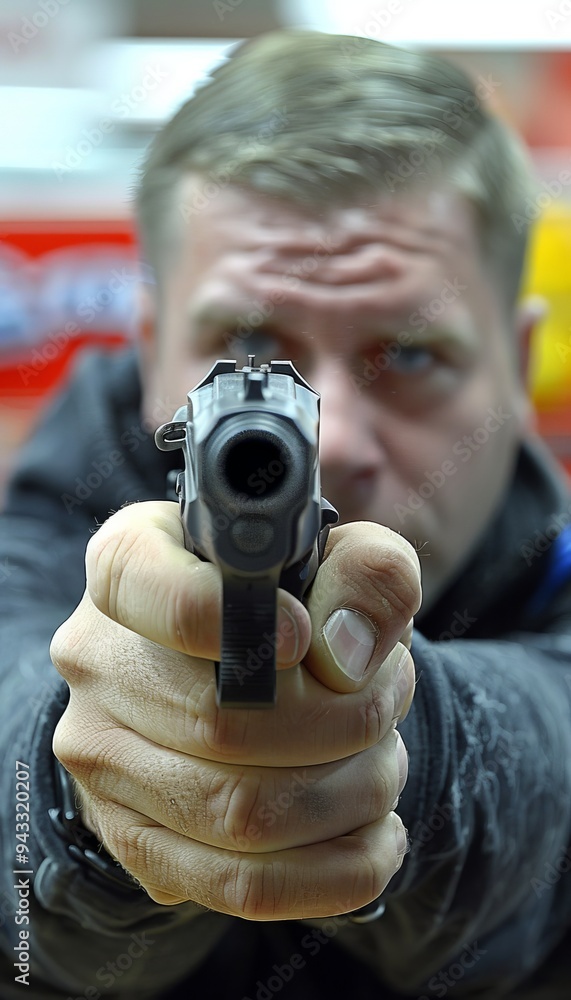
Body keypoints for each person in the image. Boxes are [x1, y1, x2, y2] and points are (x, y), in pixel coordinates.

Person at [1, 28, 571, 1000]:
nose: (331, 438)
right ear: (149, 350)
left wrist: (413, 754)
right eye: (251, 347)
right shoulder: (57, 513)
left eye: (411, 354)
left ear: (518, 372)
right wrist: (73, 804)